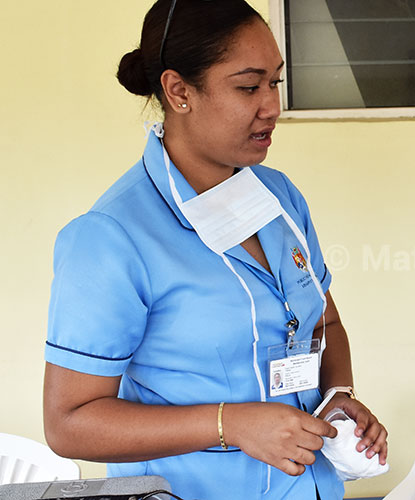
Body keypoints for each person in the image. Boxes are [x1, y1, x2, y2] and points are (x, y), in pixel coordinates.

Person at [42, 1, 386, 499]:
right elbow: (69, 423)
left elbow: (322, 323)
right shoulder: (112, 237)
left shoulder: (279, 198)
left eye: (276, 83)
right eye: (249, 86)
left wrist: (337, 396)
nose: (271, 106)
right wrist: (231, 424)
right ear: (178, 91)